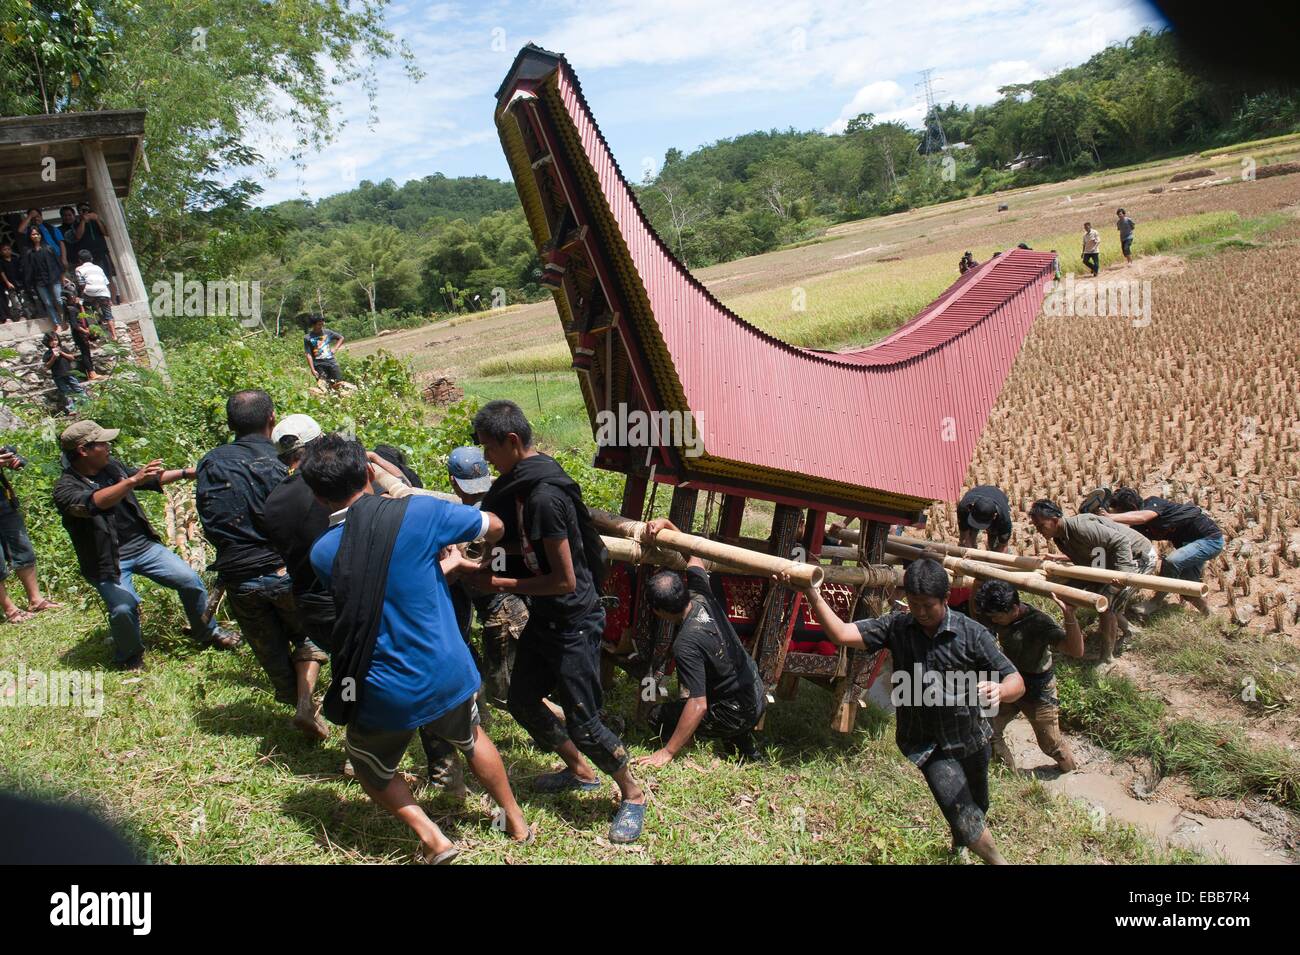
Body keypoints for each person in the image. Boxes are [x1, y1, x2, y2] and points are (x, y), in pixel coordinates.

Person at [304, 434, 532, 863]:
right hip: (447, 669)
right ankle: (515, 820)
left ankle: (433, 838)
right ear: (370, 473)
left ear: (316, 497)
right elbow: (494, 525)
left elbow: (376, 590)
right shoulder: (422, 512)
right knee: (472, 736)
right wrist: (455, 562)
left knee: (367, 763)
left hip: (386, 685)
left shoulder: (322, 552)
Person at [472, 399, 647, 844]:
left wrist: (499, 582)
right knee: (522, 700)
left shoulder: (544, 497)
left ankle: (632, 793)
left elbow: (565, 580)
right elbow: (525, 546)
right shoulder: (523, 484)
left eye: (489, 449)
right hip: (547, 618)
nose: (487, 459)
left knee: (586, 722)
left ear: (512, 442)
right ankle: (580, 769)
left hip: (573, 619)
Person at [788, 557, 1023, 864]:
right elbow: (842, 634)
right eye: (915, 604)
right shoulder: (897, 626)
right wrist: (812, 593)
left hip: (971, 738)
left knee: (976, 805)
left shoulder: (973, 634)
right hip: (926, 742)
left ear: (945, 599)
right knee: (960, 807)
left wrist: (1001, 690)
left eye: (928, 605)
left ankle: (960, 846)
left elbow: (1015, 679)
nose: (922, 613)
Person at [196, 391, 330, 739]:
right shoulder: (277, 462)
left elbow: (210, 518)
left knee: (270, 651)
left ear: (230, 424)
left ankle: (296, 699)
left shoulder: (209, 462)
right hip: (281, 570)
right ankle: (306, 703)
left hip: (237, 577)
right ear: (272, 418)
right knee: (308, 636)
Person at [52, 420, 240, 669]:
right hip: (107, 560)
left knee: (189, 580)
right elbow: (94, 503)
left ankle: (206, 631)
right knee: (123, 608)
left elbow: (150, 478)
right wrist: (131, 481)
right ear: (83, 450)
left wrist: (188, 473)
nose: (108, 446)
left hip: (143, 547)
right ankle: (129, 656)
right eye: (102, 443)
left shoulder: (112, 467)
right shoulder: (65, 488)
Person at [634, 517, 766, 767]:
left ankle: (682, 747)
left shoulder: (685, 644)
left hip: (736, 710)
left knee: (658, 716)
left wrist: (667, 753)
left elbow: (698, 704)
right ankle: (746, 752)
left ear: (659, 611)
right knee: (724, 688)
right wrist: (669, 525)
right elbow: (694, 556)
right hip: (756, 692)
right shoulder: (701, 595)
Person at [971, 582, 1082, 773]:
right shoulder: (996, 614)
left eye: (997, 617)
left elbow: (1076, 650)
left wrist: (1069, 615)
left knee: (1051, 745)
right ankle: (1008, 777)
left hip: (1037, 690)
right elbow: (977, 611)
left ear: (1014, 608)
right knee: (989, 731)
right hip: (1009, 683)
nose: (993, 621)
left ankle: (1071, 772)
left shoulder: (1039, 623)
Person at [1027, 499, 1156, 663]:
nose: (1039, 531)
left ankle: (1107, 659)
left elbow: (1121, 542)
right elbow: (1091, 553)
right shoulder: (1060, 536)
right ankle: (1131, 631)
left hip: (1139, 556)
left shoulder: (1082, 527)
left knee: (1107, 605)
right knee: (1094, 594)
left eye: (1041, 526)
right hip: (1111, 559)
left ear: (1054, 520)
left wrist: (1123, 576)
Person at [1103, 487, 1223, 615]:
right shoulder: (1140, 527)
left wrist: (1110, 517)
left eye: (1121, 513)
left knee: (1172, 561)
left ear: (1131, 507)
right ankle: (1209, 616)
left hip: (1210, 540)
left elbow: (1143, 517)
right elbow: (1132, 545)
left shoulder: (1152, 503)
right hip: (1189, 546)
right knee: (1188, 589)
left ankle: (1156, 602)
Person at [0, 445, 62, 624]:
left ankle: (36, 600)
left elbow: (19, 461)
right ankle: (10, 610)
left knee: (22, 547)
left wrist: (12, 460)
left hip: (3, 501)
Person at [21, 227, 64, 327]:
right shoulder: (29, 252)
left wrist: (62, 277)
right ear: (30, 237)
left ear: (41, 235)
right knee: (47, 303)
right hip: (39, 281)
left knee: (59, 300)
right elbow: (28, 269)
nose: (36, 236)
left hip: (53, 278)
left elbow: (58, 263)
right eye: (33, 234)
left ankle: (65, 318)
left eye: (37, 234)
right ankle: (56, 323)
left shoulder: (49, 248)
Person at [957, 485, 1013, 553]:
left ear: (994, 516)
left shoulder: (1003, 520)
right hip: (976, 493)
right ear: (971, 508)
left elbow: (1003, 546)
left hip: (997, 496)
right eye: (975, 522)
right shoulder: (964, 508)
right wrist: (969, 551)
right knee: (967, 543)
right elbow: (964, 538)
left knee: (994, 546)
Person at [74, 250, 116, 340]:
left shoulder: (78, 269)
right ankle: (114, 336)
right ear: (92, 259)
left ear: (80, 261)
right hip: (104, 292)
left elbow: (82, 285)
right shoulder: (98, 268)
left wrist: (81, 298)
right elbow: (106, 283)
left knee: (82, 304)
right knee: (109, 315)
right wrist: (109, 299)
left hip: (89, 292)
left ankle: (93, 332)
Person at [41, 331, 86, 413]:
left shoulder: (63, 349)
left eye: (55, 340)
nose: (54, 342)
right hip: (58, 376)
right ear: (47, 342)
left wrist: (61, 352)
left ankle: (87, 404)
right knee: (66, 393)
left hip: (69, 373)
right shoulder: (48, 353)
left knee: (77, 388)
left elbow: (72, 358)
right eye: (51, 341)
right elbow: (47, 366)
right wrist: (53, 357)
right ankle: (72, 409)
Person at [303, 316, 344, 388]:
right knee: (324, 386)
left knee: (338, 383)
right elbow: (308, 354)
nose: (321, 326)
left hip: (331, 363)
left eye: (322, 324)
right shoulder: (308, 338)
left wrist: (335, 349)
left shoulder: (327, 332)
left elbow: (341, 338)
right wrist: (312, 369)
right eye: (319, 324)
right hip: (318, 365)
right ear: (313, 325)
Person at [0, 239, 24, 322]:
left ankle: (23, 315)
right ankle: (14, 317)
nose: (7, 251)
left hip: (18, 283)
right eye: (4, 250)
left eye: (8, 249)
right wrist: (7, 282)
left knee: (22, 300)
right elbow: (2, 273)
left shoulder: (15, 259)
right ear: (1, 252)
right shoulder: (1, 262)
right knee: (13, 302)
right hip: (8, 285)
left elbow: (20, 270)